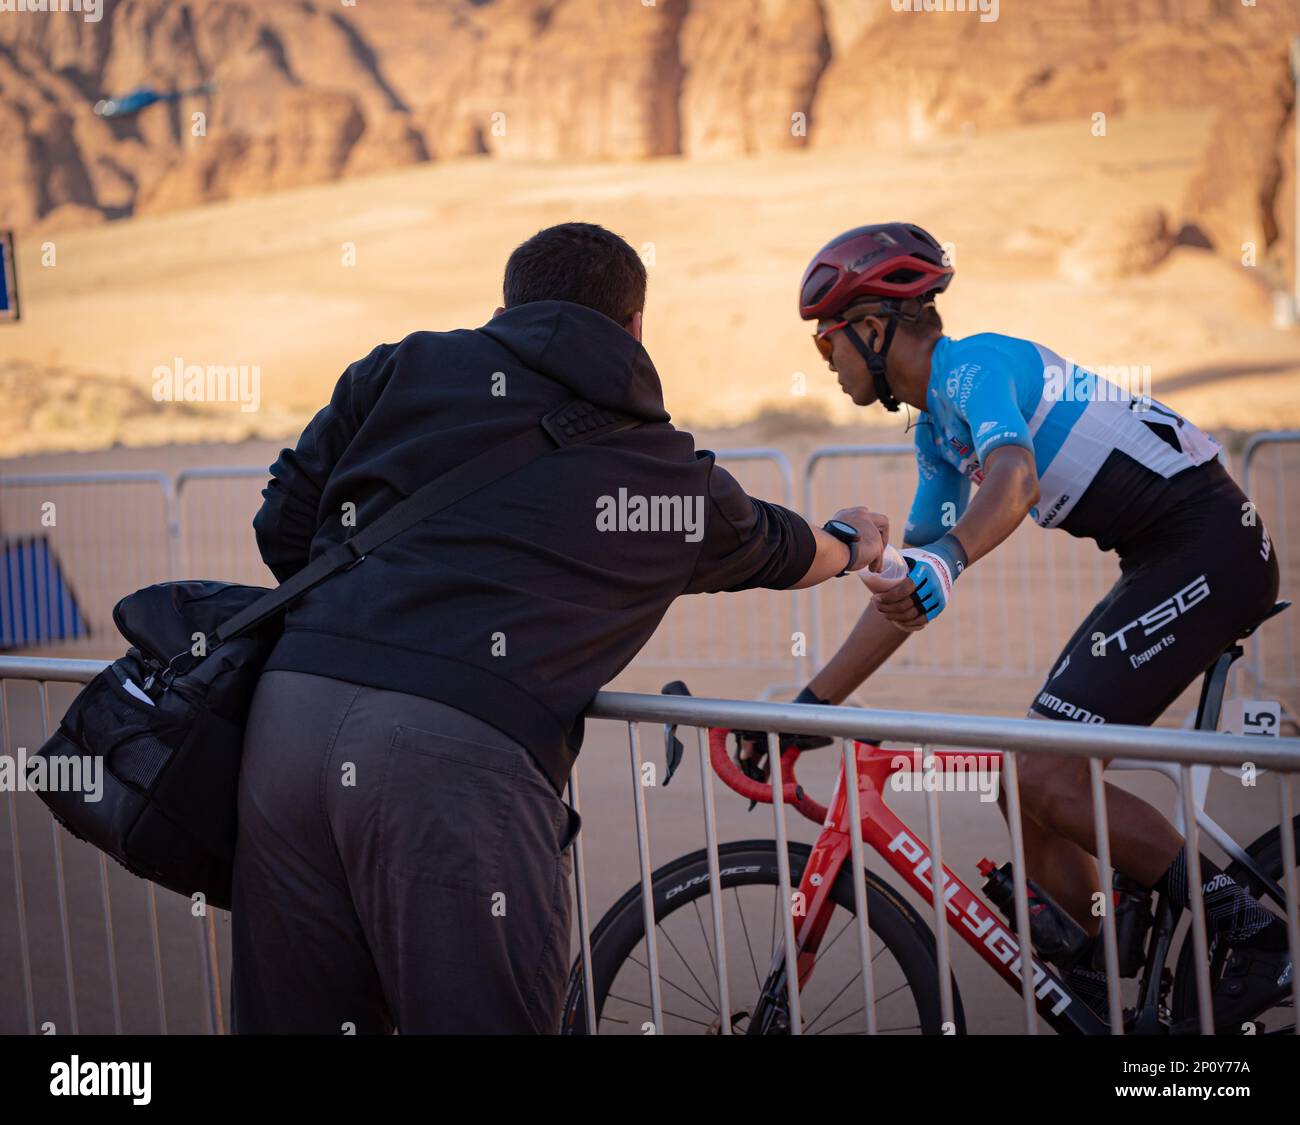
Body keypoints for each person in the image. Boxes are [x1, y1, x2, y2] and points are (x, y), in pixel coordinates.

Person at [232, 221, 888, 1034]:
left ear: (507, 308)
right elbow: (783, 549)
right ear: (637, 327)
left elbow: (282, 529)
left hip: (287, 721)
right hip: (456, 758)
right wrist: (853, 540)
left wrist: (364, 613)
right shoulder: (662, 471)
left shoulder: (401, 366)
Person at [770, 221, 1288, 1028]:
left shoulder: (974, 367)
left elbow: (1014, 477)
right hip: (1166, 556)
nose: (826, 365)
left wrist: (950, 560)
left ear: (872, 328)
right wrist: (808, 707)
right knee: (1025, 782)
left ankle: (1250, 932)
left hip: (1212, 548)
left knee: (1048, 772)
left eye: (825, 343)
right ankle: (1104, 962)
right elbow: (907, 591)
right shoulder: (941, 439)